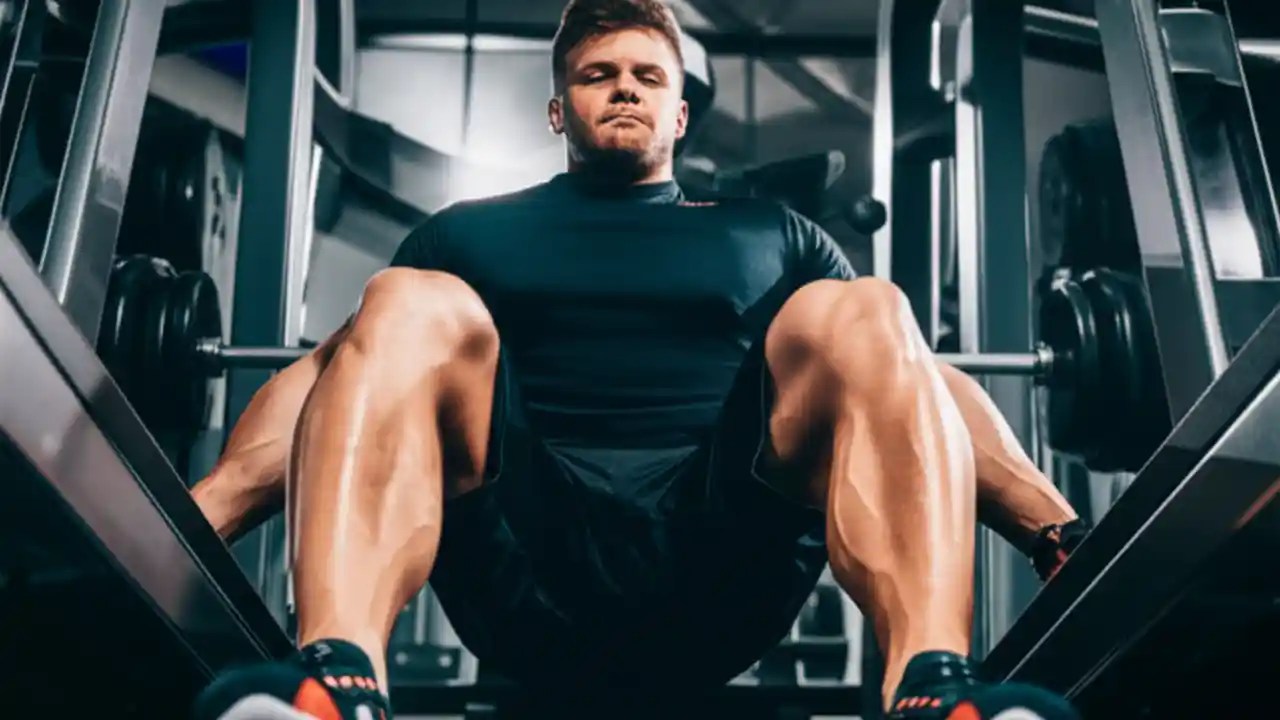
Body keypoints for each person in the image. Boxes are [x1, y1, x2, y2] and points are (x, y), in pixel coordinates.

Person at [191, 1, 1089, 718]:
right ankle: (336, 686)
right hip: (521, 557)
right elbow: (334, 374)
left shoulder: (775, 234)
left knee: (867, 309)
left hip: (722, 557)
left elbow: (907, 378)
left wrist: (1062, 537)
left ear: (680, 108)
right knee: (400, 302)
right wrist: (198, 522)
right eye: (598, 74)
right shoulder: (466, 233)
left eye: (646, 76)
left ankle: (932, 687)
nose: (624, 89)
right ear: (558, 108)